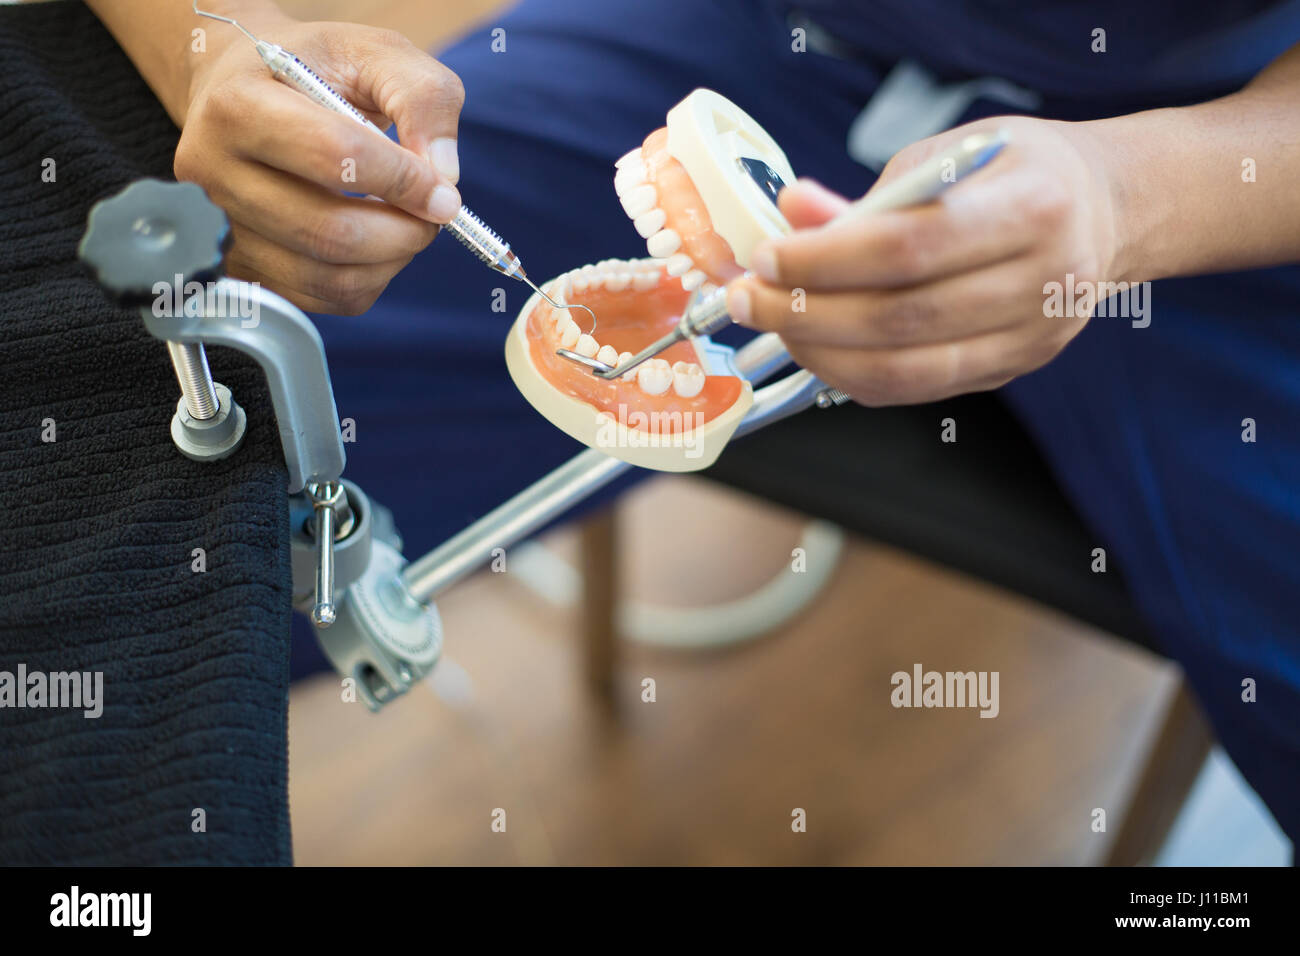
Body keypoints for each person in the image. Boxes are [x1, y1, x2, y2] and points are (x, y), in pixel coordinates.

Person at [88, 0, 1300, 846]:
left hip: (1219, 156)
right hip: (759, 40)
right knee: (124, 516)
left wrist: (1127, 199)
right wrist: (216, 36)